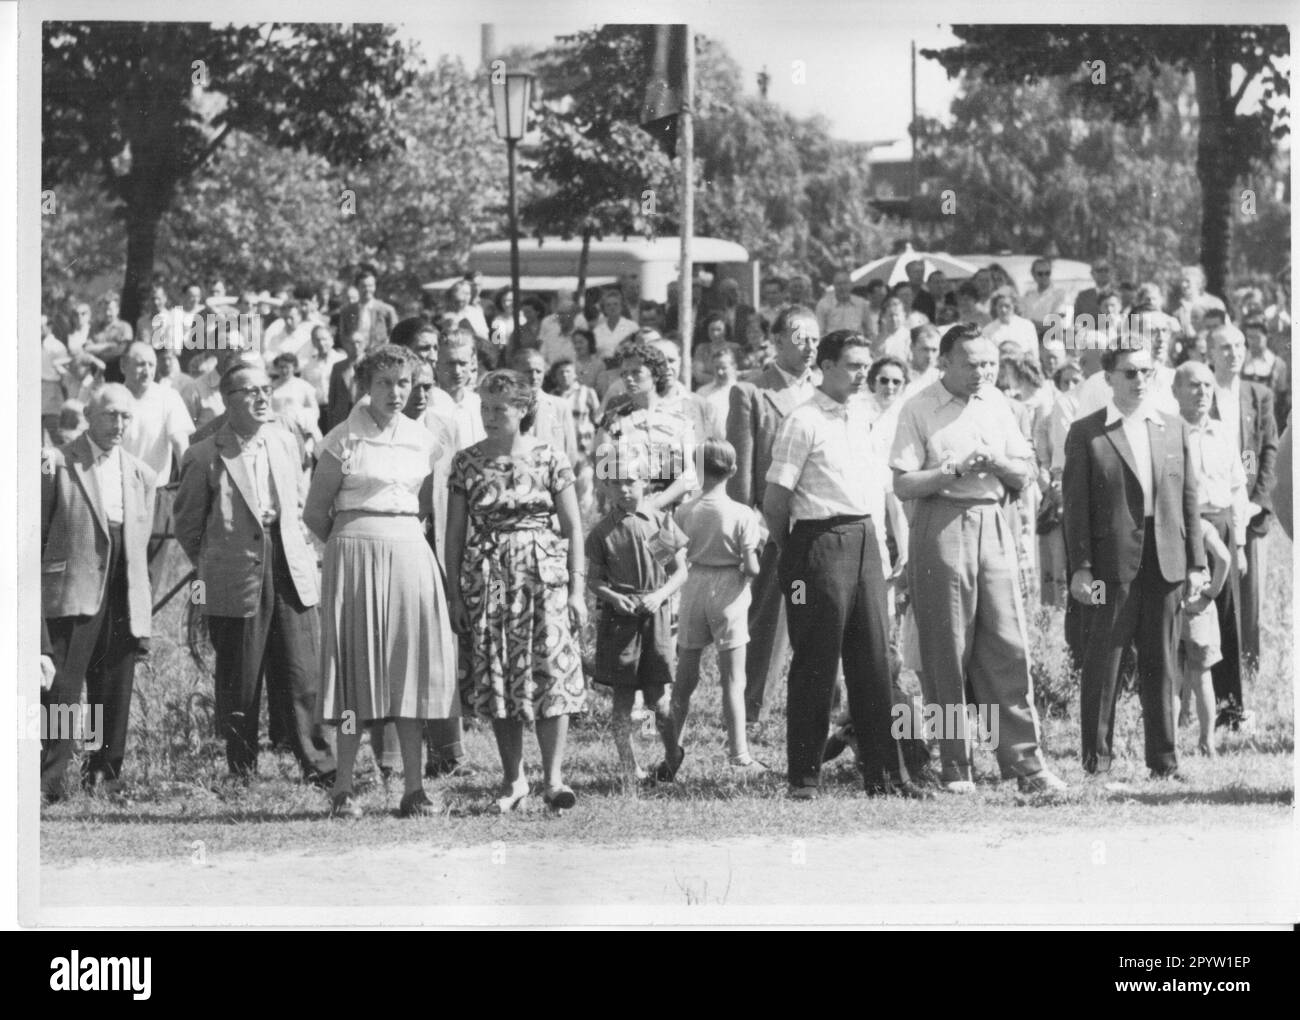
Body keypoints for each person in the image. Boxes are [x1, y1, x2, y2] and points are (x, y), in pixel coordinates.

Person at [891, 324, 1066, 795]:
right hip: (941, 523)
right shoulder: (918, 407)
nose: (982, 372)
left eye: (988, 363)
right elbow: (903, 483)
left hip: (995, 522)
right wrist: (951, 469)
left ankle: (1026, 765)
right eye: (971, 363)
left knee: (1008, 644)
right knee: (946, 648)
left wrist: (998, 463)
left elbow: (1025, 472)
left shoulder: (998, 404)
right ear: (943, 362)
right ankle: (955, 765)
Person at [764, 330, 926, 800]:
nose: (862, 375)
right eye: (853, 366)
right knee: (816, 663)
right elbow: (775, 501)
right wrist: (797, 552)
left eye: (865, 365)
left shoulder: (863, 418)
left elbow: (874, 491)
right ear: (827, 366)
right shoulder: (803, 420)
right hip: (818, 542)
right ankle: (804, 777)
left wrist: (882, 544)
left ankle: (887, 775)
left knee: (875, 661)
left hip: (865, 541)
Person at [304, 344, 460, 818]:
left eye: (404, 383)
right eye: (385, 383)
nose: (395, 393)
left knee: (407, 673)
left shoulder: (425, 441)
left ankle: (414, 789)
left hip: (411, 555)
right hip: (354, 556)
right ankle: (344, 789)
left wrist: (399, 541)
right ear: (366, 387)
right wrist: (356, 544)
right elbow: (315, 513)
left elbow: (429, 508)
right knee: (355, 677)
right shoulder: (341, 440)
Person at [173, 363, 336, 786]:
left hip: (288, 564)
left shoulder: (285, 441)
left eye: (266, 389)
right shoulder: (205, 454)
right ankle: (241, 771)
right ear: (228, 401)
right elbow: (188, 528)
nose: (263, 398)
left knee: (303, 672)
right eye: (250, 392)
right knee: (239, 678)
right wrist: (219, 562)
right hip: (234, 573)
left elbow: (299, 505)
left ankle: (320, 766)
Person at [446, 370, 588, 812]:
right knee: (498, 674)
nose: (489, 416)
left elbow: (573, 528)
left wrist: (578, 590)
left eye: (500, 408)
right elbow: (454, 535)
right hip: (487, 576)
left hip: (542, 577)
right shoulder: (466, 462)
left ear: (524, 409)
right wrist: (453, 594)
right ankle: (513, 780)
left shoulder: (550, 458)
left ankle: (553, 778)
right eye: (484, 407)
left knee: (550, 668)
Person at [1062, 339, 1204, 781]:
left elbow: (1189, 499)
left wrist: (1197, 564)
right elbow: (1075, 507)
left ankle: (1163, 761)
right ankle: (1096, 762)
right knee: (1104, 659)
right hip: (1107, 567)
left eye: (1146, 372)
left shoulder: (1173, 427)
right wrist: (1081, 567)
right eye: (1129, 372)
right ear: (1108, 379)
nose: (1139, 380)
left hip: (1166, 563)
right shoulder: (1087, 432)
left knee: (1161, 662)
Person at [41, 385, 157, 802]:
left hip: (122, 593)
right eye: (110, 415)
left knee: (113, 688)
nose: (119, 424)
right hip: (73, 592)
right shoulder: (56, 463)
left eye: (126, 417)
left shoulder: (143, 474)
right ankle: (49, 782)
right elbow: (35, 538)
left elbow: (143, 548)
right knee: (63, 692)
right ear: (90, 413)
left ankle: (104, 777)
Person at [726, 306, 820, 725]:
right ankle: (750, 707)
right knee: (769, 613)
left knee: (817, 608)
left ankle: (825, 703)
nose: (811, 347)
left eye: (816, 339)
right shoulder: (751, 392)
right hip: (773, 523)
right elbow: (741, 473)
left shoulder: (825, 390)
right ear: (778, 341)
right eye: (801, 338)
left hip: (822, 519)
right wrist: (749, 525)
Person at [662, 439, 766, 779]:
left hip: (692, 586)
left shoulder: (684, 510)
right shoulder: (742, 513)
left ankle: (670, 750)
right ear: (733, 470)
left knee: (684, 680)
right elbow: (751, 567)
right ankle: (739, 754)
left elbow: (666, 555)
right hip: (729, 591)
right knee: (734, 681)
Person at [586, 455, 690, 783]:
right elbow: (595, 580)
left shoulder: (654, 523)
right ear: (605, 488)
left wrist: (659, 596)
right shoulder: (603, 532)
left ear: (644, 483)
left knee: (658, 700)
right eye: (615, 483)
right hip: (620, 623)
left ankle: (673, 754)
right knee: (622, 698)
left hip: (654, 617)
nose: (624, 489)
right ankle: (629, 767)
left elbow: (678, 572)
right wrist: (614, 597)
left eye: (631, 481)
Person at [1173, 360, 1249, 753]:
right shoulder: (1169, 434)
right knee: (1185, 619)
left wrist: (1237, 546)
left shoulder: (1222, 432)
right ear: (1176, 391)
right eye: (1192, 385)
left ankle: (1230, 709)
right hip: (1187, 529)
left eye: (1206, 385)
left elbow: (1238, 487)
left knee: (1226, 621)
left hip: (1221, 527)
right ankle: (1181, 712)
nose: (1201, 392)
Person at [1207, 323, 1277, 712]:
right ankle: (1210, 673)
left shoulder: (1259, 394)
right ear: (1210, 352)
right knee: (1216, 591)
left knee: (1250, 597)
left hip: (1249, 512)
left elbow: (1269, 450)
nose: (1233, 353)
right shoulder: (1202, 390)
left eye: (1239, 346)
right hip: (1212, 510)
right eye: (1224, 347)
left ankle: (1249, 671)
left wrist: (1256, 502)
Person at [593, 340, 700, 512]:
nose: (629, 378)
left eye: (636, 372)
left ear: (656, 375)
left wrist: (654, 505)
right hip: (627, 514)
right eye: (624, 373)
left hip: (672, 516)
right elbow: (601, 475)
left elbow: (692, 475)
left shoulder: (681, 421)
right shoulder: (611, 421)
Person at [1179, 517, 1231, 757]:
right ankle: (1206, 740)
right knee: (1203, 681)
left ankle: (1171, 744)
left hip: (1172, 605)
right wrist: (1213, 590)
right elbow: (1224, 557)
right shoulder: (1202, 526)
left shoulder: (1164, 525)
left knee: (1172, 682)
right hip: (1198, 606)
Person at [513, 348, 579, 467]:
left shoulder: (560, 406)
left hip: (552, 476)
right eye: (528, 371)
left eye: (538, 371)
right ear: (516, 373)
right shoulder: (510, 407)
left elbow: (571, 451)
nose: (534, 377)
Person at [1240, 316, 1290, 429]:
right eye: (1249, 337)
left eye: (1257, 338)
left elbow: (1282, 400)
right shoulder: (1241, 361)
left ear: (1266, 337)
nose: (1252, 342)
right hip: (1245, 420)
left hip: (1268, 421)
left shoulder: (1278, 364)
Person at [324, 330, 370, 433]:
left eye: (359, 342)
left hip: (364, 417)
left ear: (365, 343)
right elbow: (332, 398)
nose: (355, 346)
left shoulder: (371, 365)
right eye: (352, 343)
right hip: (341, 418)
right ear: (345, 344)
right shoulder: (338, 367)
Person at [338, 270, 397, 348]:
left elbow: (395, 335)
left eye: (370, 286)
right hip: (356, 355)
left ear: (375, 286)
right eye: (363, 286)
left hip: (379, 354)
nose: (367, 289)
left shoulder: (387, 310)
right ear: (357, 287)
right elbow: (343, 335)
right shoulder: (347, 311)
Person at [816, 269, 872, 336]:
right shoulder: (823, 305)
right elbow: (820, 332)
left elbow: (869, 331)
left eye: (845, 283)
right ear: (834, 286)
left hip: (856, 344)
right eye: (839, 284)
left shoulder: (862, 304)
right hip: (833, 344)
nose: (842, 287)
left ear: (851, 284)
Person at [592, 288, 639, 360]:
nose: (612, 307)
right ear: (604, 309)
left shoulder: (632, 327)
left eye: (615, 304)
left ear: (621, 306)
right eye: (608, 305)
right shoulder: (596, 331)